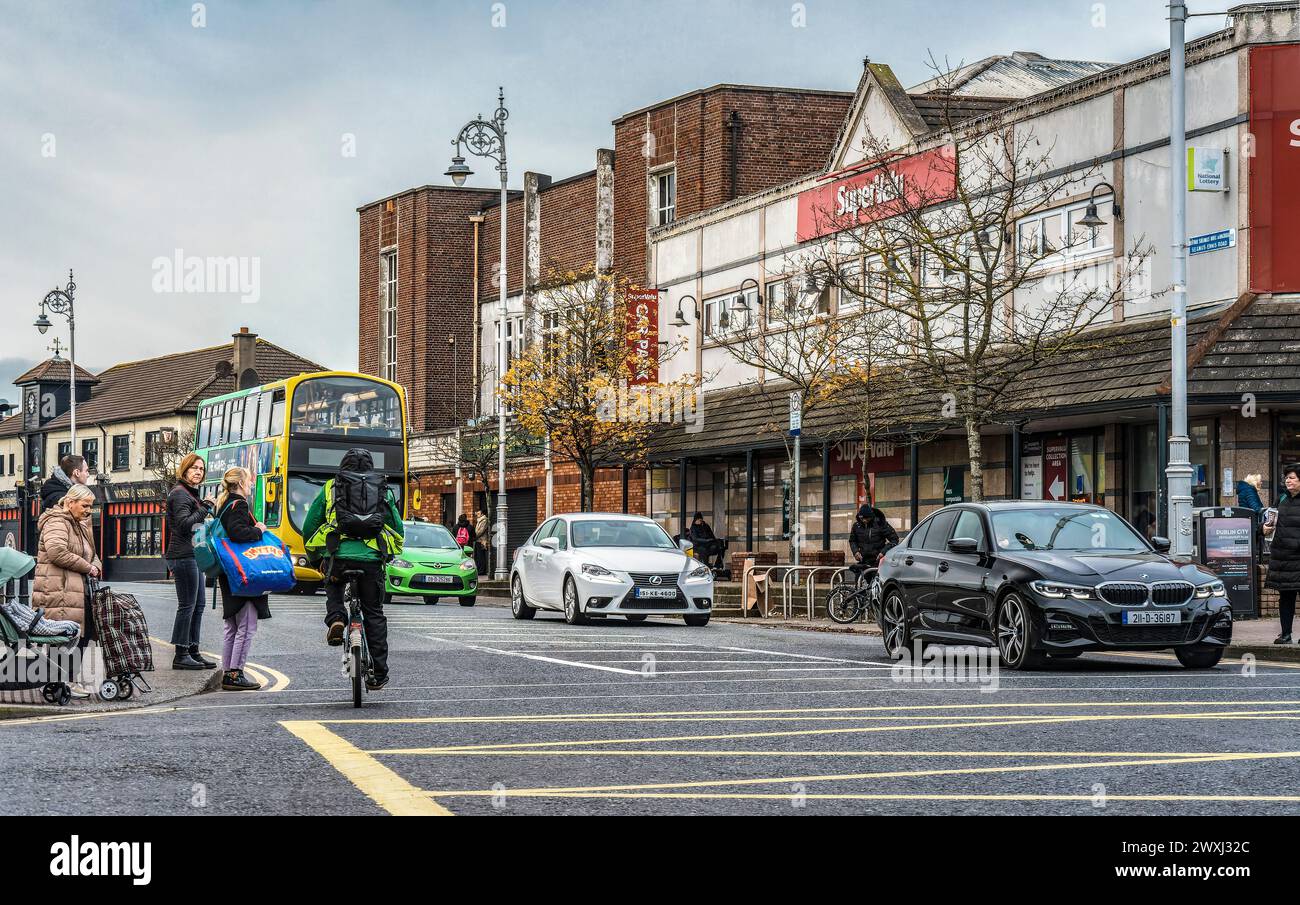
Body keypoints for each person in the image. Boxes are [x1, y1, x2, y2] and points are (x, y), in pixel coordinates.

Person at [303, 449, 404, 690]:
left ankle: (337, 618)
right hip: (371, 559)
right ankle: (379, 672)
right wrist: (385, 552)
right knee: (374, 612)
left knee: (334, 586)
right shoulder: (382, 488)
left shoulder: (331, 487)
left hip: (338, 555)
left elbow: (309, 526)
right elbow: (397, 527)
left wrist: (317, 557)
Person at [213, 467, 271, 690]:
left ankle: (227, 670)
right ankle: (235, 674)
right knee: (246, 626)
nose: (251, 484)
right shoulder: (239, 504)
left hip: (228, 572)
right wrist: (258, 529)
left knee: (232, 626)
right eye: (248, 480)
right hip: (242, 574)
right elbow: (238, 533)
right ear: (240, 483)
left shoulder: (224, 504)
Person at [164, 453, 216, 671]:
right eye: (194, 468)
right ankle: (181, 654)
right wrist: (206, 507)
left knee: (199, 605)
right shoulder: (179, 494)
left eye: (201, 469)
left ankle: (193, 650)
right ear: (184, 470)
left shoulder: (190, 495)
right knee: (187, 605)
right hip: (182, 556)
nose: (198, 472)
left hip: (193, 555)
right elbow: (185, 524)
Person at [1264, 464, 1300, 645]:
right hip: (1283, 557)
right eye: (1286, 478)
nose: (1288, 481)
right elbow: (1269, 520)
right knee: (1286, 597)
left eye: (1292, 477)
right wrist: (1263, 528)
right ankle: (1286, 634)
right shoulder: (1282, 498)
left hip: (1298, 556)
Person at [849, 504, 899, 580]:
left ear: (871, 516)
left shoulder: (881, 524)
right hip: (863, 560)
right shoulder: (856, 526)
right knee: (859, 584)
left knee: (875, 585)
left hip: (877, 561)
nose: (864, 521)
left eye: (866, 518)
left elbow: (894, 539)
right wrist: (855, 552)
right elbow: (852, 540)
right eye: (862, 518)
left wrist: (883, 552)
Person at [474, 508, 491, 575]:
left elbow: (481, 531)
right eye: (477, 513)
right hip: (478, 540)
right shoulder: (479, 520)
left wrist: (474, 535)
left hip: (482, 541)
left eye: (478, 513)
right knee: (478, 556)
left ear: (482, 514)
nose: (477, 515)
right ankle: (479, 569)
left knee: (481, 556)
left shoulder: (484, 520)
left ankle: (481, 571)